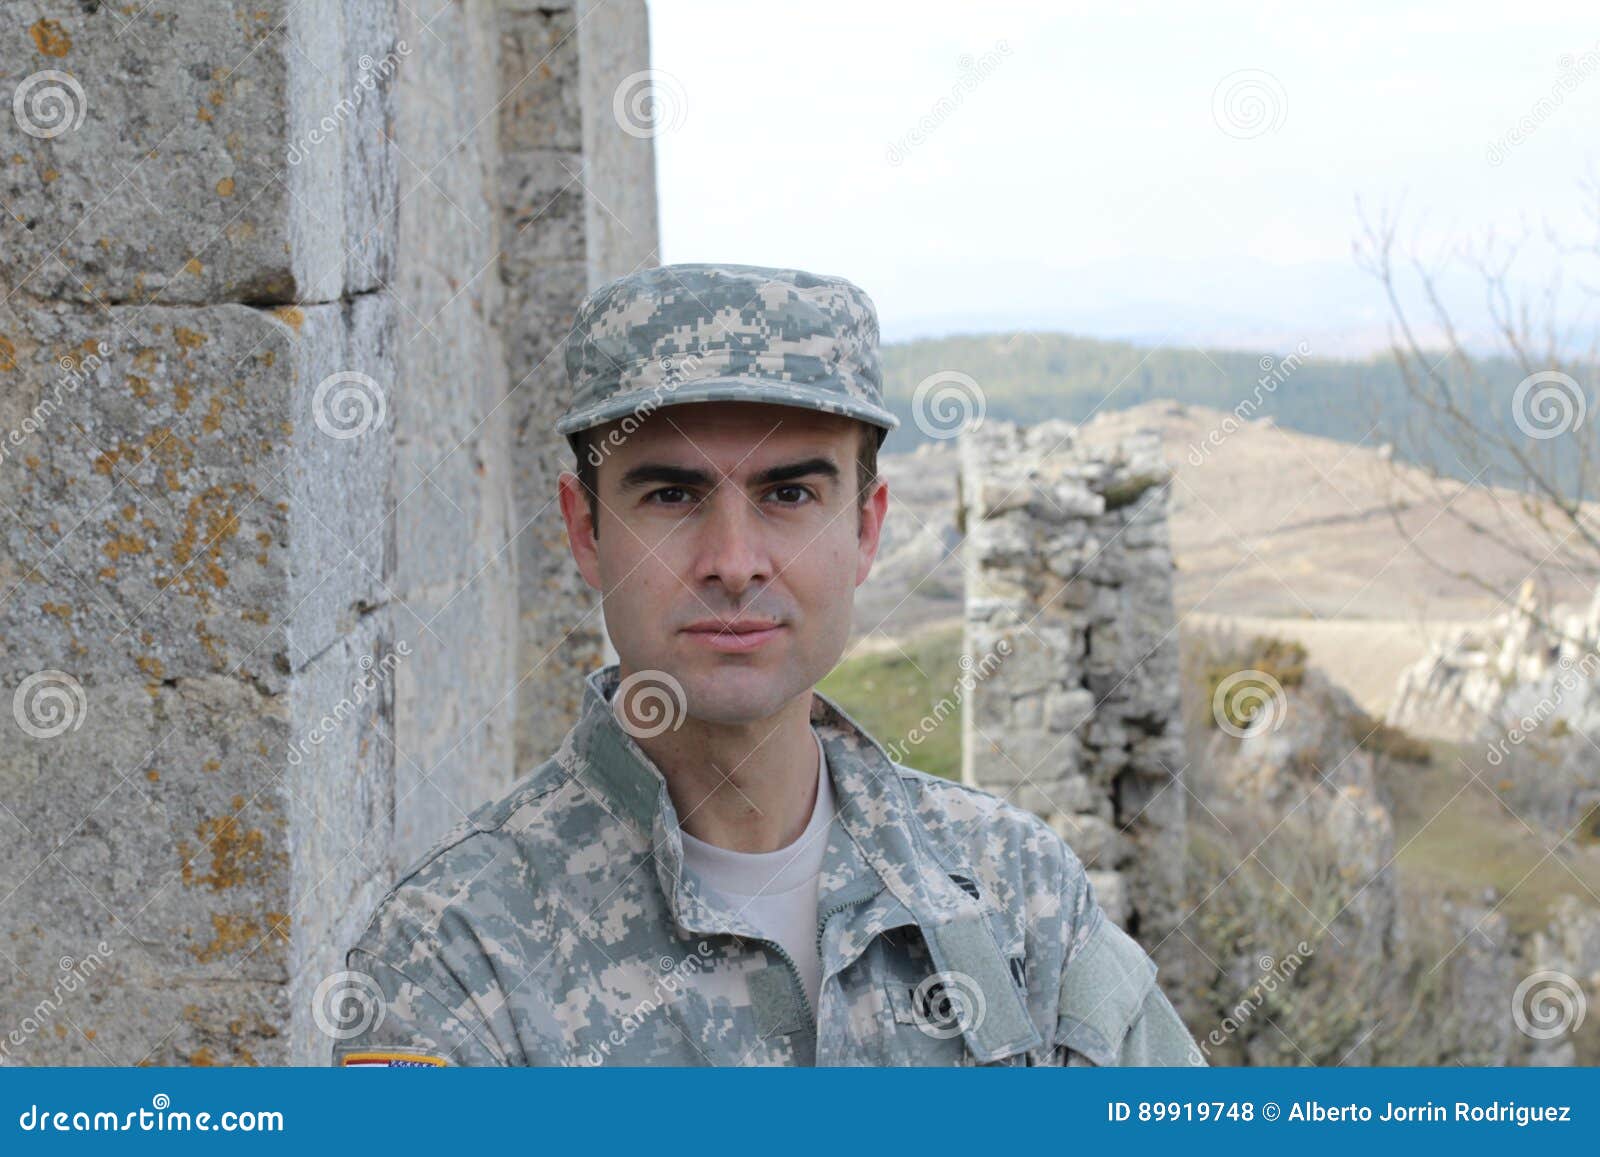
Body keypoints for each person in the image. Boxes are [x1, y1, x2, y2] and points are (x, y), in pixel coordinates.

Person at [331, 263, 1204, 1067]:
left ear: (866, 528)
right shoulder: (452, 959)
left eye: (789, 494)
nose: (734, 561)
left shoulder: (1019, 893)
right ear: (585, 531)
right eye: (671, 495)